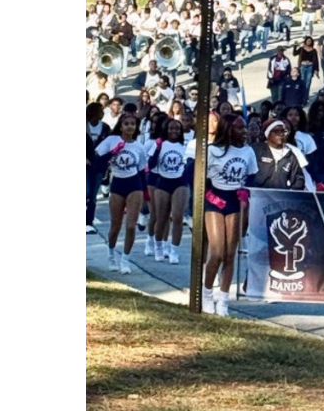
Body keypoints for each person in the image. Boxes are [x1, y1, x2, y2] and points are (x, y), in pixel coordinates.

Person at [193, 114, 258, 317]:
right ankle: (206, 293)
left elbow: (253, 176)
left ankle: (223, 300)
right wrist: (210, 197)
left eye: (244, 127)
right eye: (239, 128)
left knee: (230, 254)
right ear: (228, 129)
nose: (244, 131)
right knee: (217, 251)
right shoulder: (212, 150)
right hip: (214, 201)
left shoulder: (248, 151)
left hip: (234, 202)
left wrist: (245, 191)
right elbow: (198, 178)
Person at [95, 114, 150, 275]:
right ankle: (111, 255)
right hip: (117, 184)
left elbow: (142, 171)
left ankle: (125, 260)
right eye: (126, 124)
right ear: (121, 126)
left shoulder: (139, 147)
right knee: (115, 226)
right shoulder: (111, 141)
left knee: (131, 226)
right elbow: (98, 160)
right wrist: (113, 152)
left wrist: (145, 194)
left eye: (133, 124)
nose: (130, 127)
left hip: (134, 185)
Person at [147, 119, 191, 264]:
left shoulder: (184, 145)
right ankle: (159, 246)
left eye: (177, 129)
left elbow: (190, 164)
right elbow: (151, 164)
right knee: (161, 218)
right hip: (163, 181)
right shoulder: (159, 144)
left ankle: (174, 250)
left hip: (180, 182)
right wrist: (158, 148)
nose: (174, 131)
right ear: (166, 130)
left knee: (177, 218)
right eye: (171, 128)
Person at [250, 119, 308, 191]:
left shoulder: (290, 155)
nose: (281, 134)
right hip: (257, 195)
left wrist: (293, 192)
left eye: (283, 131)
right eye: (276, 131)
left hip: (281, 198)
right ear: (267, 134)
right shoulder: (256, 150)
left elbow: (298, 178)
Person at [86, 103, 113, 234]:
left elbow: (109, 145)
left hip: (99, 166)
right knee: (85, 191)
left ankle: (88, 222)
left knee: (92, 195)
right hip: (85, 165)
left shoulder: (105, 128)